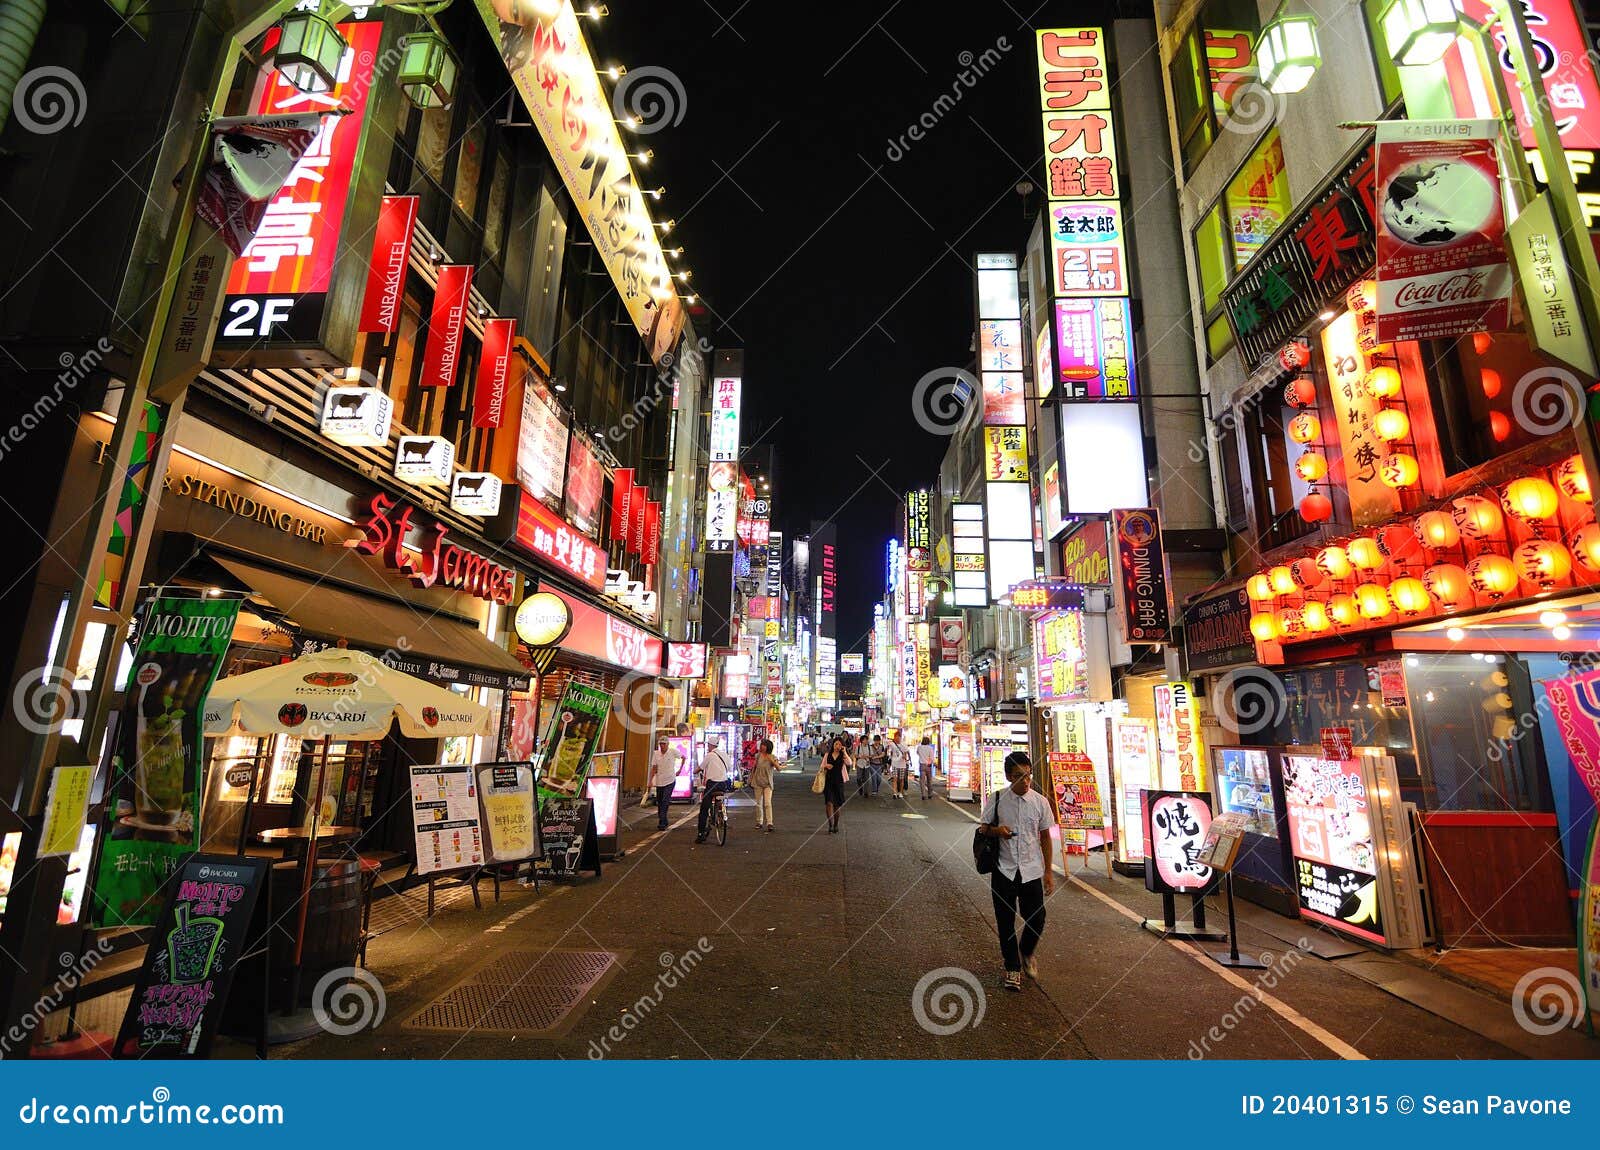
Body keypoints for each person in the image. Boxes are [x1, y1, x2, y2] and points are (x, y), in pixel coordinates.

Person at [976, 752, 1054, 991]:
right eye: (1020, 776)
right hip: (1004, 869)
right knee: (1005, 922)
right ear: (1009, 776)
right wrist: (999, 831)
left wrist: (1048, 871)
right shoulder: (998, 798)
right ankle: (1012, 967)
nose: (1025, 780)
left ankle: (1027, 951)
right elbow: (984, 828)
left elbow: (1045, 837)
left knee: (1037, 919)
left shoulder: (1040, 802)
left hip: (1031, 870)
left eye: (1028, 774)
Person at [695, 736, 733, 843]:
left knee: (704, 809)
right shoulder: (724, 754)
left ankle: (701, 833)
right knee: (718, 799)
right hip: (724, 784)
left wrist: (693, 771)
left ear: (710, 745)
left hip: (712, 784)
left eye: (708, 745)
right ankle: (719, 811)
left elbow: (700, 768)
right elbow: (730, 768)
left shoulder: (710, 755)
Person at [649, 736, 682, 831]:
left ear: (667, 744)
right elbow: (654, 768)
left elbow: (684, 757)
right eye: (660, 744)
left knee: (665, 800)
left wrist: (680, 770)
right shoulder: (656, 754)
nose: (662, 746)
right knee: (660, 801)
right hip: (660, 781)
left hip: (670, 780)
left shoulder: (672, 752)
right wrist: (650, 781)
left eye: (664, 744)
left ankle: (662, 822)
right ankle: (663, 819)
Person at [820, 735, 851, 833]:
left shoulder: (843, 756)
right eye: (836, 744)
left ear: (842, 746)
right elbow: (821, 767)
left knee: (837, 805)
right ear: (833, 744)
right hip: (828, 781)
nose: (837, 746)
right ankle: (830, 824)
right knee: (828, 803)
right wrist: (825, 766)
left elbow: (849, 763)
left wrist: (844, 751)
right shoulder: (827, 755)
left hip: (839, 781)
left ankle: (836, 824)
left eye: (839, 744)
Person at [750, 738, 779, 831]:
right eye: (762, 745)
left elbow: (779, 768)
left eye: (764, 745)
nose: (762, 746)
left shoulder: (773, 757)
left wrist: (771, 760)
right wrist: (751, 778)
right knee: (758, 803)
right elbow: (754, 768)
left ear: (768, 747)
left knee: (767, 803)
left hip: (768, 784)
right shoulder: (758, 756)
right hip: (757, 782)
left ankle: (770, 823)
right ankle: (759, 821)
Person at [885, 732, 910, 798]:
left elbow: (905, 753)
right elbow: (890, 752)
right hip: (895, 764)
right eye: (896, 737)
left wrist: (905, 757)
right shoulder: (892, 744)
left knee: (901, 779)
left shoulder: (904, 744)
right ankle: (895, 793)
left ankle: (901, 792)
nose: (897, 738)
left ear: (900, 737)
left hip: (902, 764)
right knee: (895, 779)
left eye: (898, 737)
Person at [916, 735, 937, 800]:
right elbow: (932, 757)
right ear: (928, 742)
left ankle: (923, 795)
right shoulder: (930, 748)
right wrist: (933, 763)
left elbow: (917, 753)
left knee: (922, 781)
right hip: (928, 766)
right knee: (929, 780)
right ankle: (930, 794)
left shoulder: (919, 747)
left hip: (922, 765)